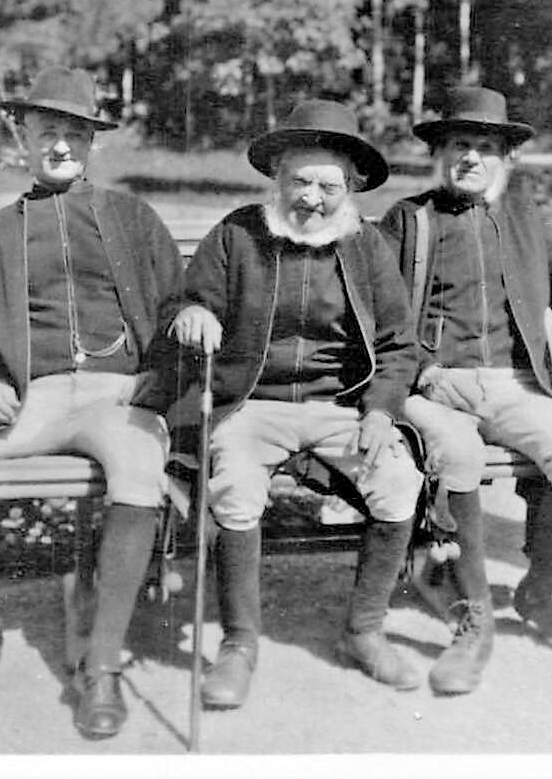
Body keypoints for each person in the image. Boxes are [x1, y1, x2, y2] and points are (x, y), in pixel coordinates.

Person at [0, 66, 183, 739]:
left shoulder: (132, 218)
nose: (59, 145)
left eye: (73, 133)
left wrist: (162, 381)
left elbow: (178, 308)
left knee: (139, 471)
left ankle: (104, 666)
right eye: (46, 132)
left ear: (93, 142)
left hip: (119, 394)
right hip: (34, 399)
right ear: (22, 138)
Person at [133, 99, 425, 709]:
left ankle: (364, 629)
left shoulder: (367, 248)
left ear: (349, 189)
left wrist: (379, 412)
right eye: (301, 181)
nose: (312, 198)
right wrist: (191, 314)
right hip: (249, 405)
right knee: (234, 488)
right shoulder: (238, 234)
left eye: (328, 185)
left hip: (340, 408)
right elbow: (186, 301)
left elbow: (400, 344)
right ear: (277, 178)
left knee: (399, 480)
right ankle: (239, 644)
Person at [379, 86, 552, 692]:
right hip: (432, 386)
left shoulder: (528, 221)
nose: (472, 158)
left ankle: (538, 591)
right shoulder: (408, 221)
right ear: (438, 154)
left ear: (508, 160)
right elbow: (378, 318)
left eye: (486, 148)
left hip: (515, 384)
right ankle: (476, 622)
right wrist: (418, 371)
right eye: (459, 145)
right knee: (462, 456)